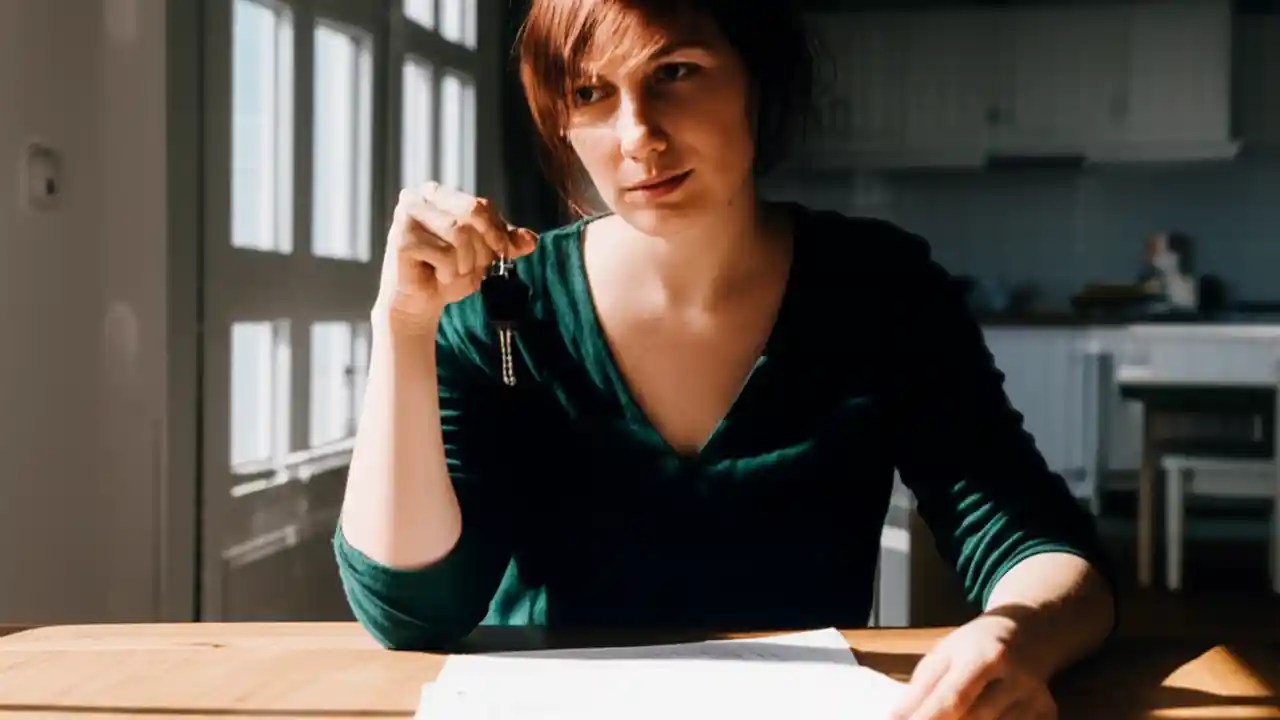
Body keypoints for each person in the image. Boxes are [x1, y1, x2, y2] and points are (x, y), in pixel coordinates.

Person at [334, 1, 1118, 717]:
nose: (638, 136)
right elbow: (411, 613)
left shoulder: (879, 290)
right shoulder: (506, 309)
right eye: (590, 93)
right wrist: (401, 325)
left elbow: (1037, 545)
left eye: (674, 73)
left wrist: (1017, 635)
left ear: (758, 80)